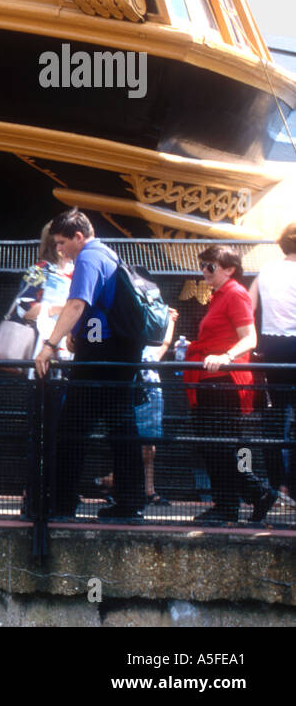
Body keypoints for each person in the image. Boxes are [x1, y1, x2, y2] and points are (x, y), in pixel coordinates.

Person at [35, 209, 144, 520]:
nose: (59, 249)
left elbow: (77, 303)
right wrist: (76, 333)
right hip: (118, 352)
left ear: (78, 237)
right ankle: (130, 502)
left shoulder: (87, 257)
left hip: (101, 356)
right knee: (121, 426)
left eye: (60, 242)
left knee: (72, 427)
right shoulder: (108, 253)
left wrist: (49, 345)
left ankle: (61, 501)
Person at [186, 245, 278, 524]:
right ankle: (237, 500)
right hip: (212, 381)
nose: (204, 271)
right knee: (215, 444)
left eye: (210, 266)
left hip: (224, 382)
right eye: (203, 265)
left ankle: (248, 496)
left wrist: (225, 357)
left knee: (221, 444)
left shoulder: (234, 293)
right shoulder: (220, 296)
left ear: (229, 269)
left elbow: (250, 338)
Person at [96, 308, 178, 508]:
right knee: (130, 442)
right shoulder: (125, 342)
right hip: (129, 388)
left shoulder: (150, 350)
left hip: (149, 390)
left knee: (149, 444)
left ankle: (145, 489)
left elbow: (163, 346)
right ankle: (118, 482)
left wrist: (171, 322)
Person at [249, 221, 296, 498]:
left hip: (272, 347)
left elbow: (248, 306)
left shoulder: (265, 272)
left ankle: (279, 486)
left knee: (275, 419)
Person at [19, 221, 74, 360]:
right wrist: (63, 309)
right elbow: (24, 310)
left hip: (71, 345)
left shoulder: (78, 269)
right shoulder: (39, 271)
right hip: (43, 345)